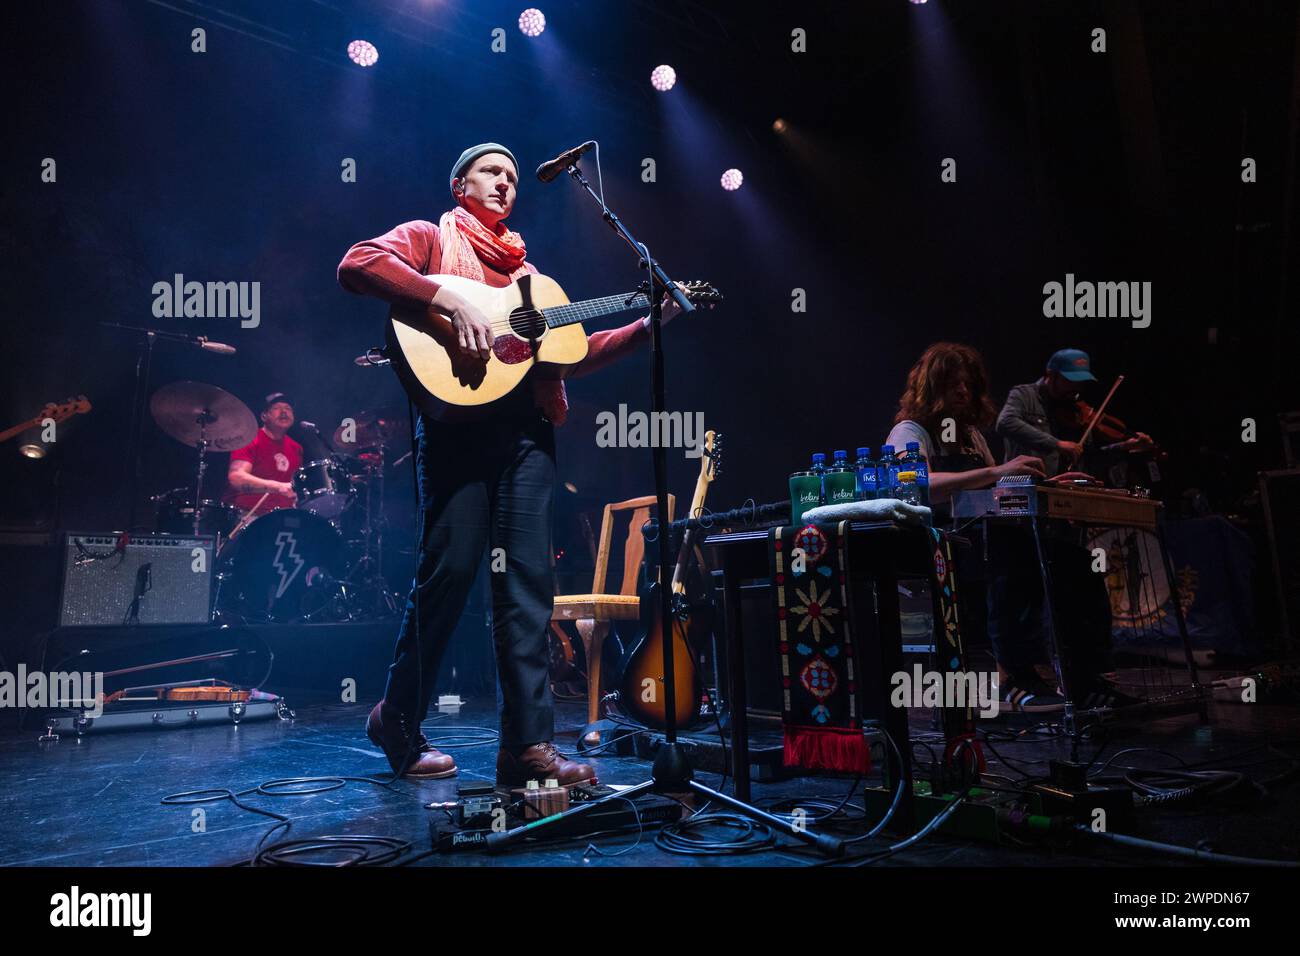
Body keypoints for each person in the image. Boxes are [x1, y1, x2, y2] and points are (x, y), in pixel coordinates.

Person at [338, 143, 683, 784]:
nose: (506, 184)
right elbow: (358, 262)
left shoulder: (535, 281)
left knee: (527, 586)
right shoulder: (430, 239)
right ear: (458, 181)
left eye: (515, 178)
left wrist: (646, 325)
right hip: (456, 428)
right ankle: (397, 717)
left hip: (526, 434)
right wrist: (450, 303)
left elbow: (568, 352)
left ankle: (526, 748)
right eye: (492, 172)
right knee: (449, 575)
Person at [993, 348, 1142, 712]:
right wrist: (1055, 443)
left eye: (1080, 384)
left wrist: (1125, 447)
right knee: (1022, 593)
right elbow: (1005, 423)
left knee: (1080, 590)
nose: (1075, 392)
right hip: (1020, 508)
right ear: (1050, 374)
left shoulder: (1073, 412)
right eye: (1069, 383)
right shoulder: (1023, 394)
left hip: (1060, 512)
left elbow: (1086, 452)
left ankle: (1086, 681)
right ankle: (1020, 679)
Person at [223, 392, 300, 516]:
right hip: (248, 515)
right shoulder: (250, 439)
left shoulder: (296, 448)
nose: (284, 411)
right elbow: (236, 477)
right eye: (277, 408)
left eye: (288, 408)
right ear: (264, 416)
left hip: (283, 516)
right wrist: (278, 487)